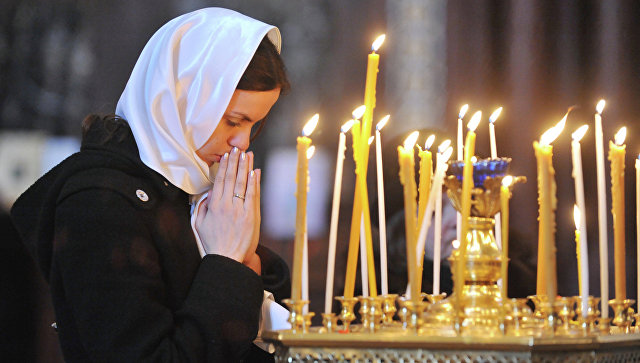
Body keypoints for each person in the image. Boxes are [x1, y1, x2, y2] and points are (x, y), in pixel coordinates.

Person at [11, 8, 291, 362]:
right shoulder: (98, 202)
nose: (243, 143)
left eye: (255, 125)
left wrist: (247, 260)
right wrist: (228, 267)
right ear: (181, 98)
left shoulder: (188, 187)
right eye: (234, 120)